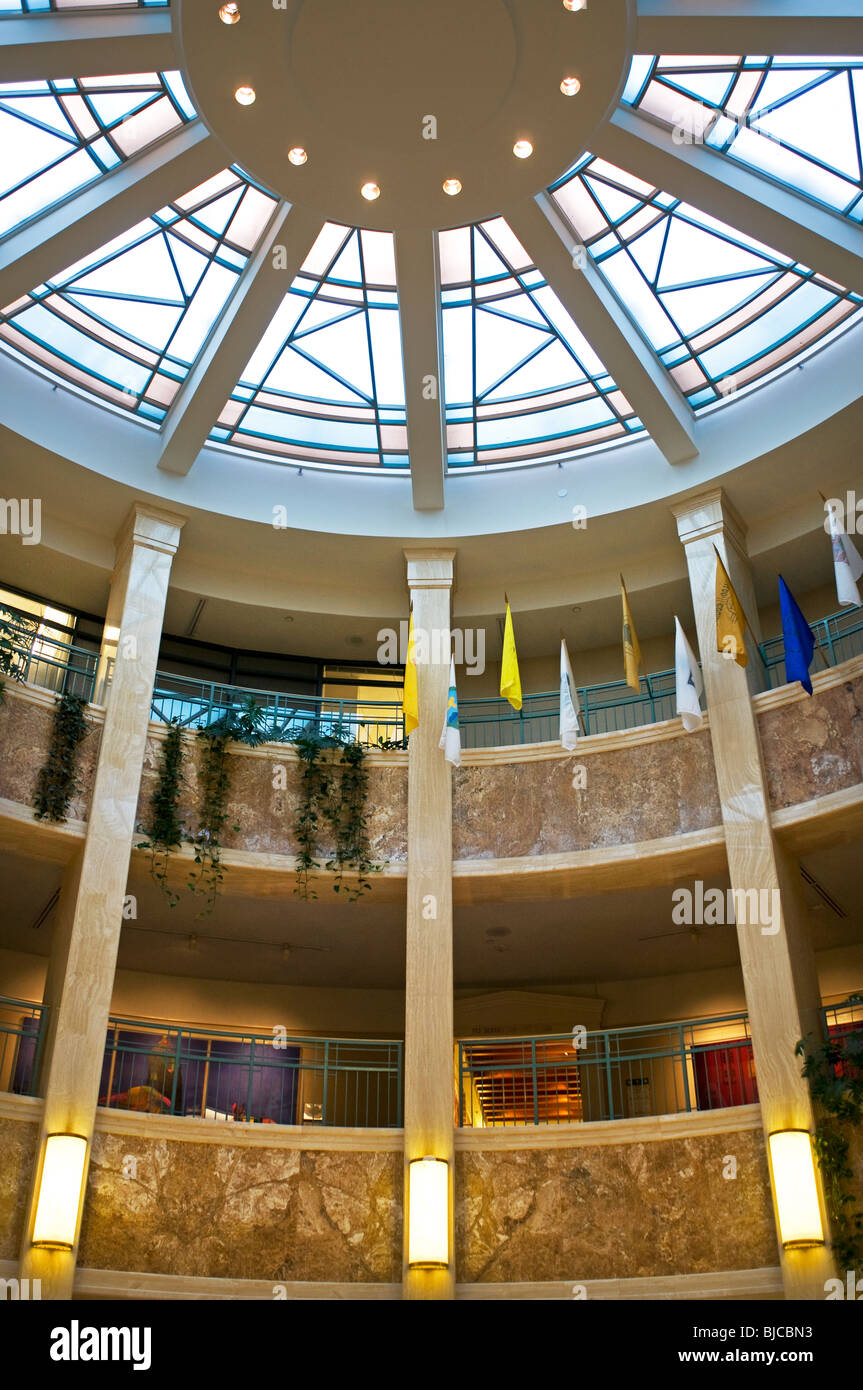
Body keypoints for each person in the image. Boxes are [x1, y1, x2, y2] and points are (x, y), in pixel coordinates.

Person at [146, 1033, 183, 1113]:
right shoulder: (155, 1052)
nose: (165, 1042)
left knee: (165, 1103)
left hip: (168, 1084)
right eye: (163, 1040)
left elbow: (175, 1067)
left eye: (167, 1040)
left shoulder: (172, 1054)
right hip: (158, 1082)